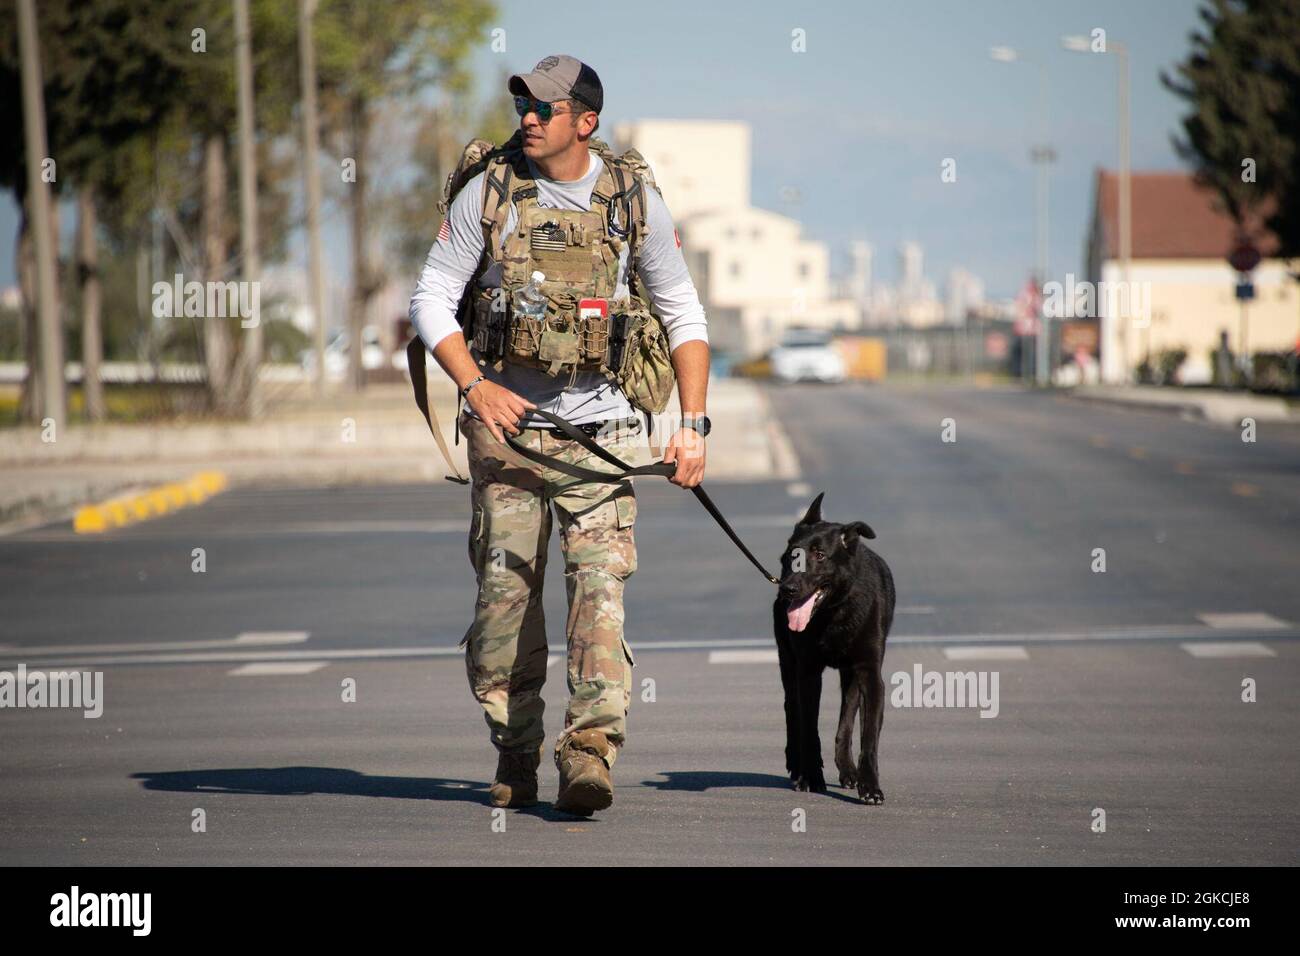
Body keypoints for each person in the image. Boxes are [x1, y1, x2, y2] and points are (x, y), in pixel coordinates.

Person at [408, 55, 711, 816]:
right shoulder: (492, 190)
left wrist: (693, 427)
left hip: (603, 433)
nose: (529, 118)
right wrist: (476, 386)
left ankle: (589, 754)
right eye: (523, 105)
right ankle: (515, 751)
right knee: (504, 607)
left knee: (598, 594)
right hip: (507, 437)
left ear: (587, 120)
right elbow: (432, 299)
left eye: (546, 107)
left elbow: (683, 312)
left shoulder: (630, 197)